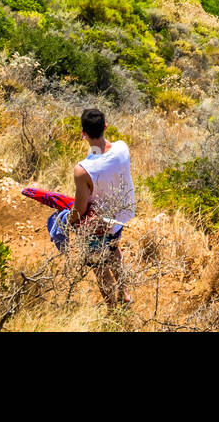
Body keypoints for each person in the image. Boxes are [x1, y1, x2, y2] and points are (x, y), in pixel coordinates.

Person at [71, 108, 136, 307]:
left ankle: (111, 308)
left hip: (97, 223)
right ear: (105, 126)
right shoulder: (122, 148)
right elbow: (102, 155)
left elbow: (80, 209)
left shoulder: (83, 170)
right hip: (119, 216)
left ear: (83, 133)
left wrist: (69, 219)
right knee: (114, 250)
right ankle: (124, 294)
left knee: (99, 265)